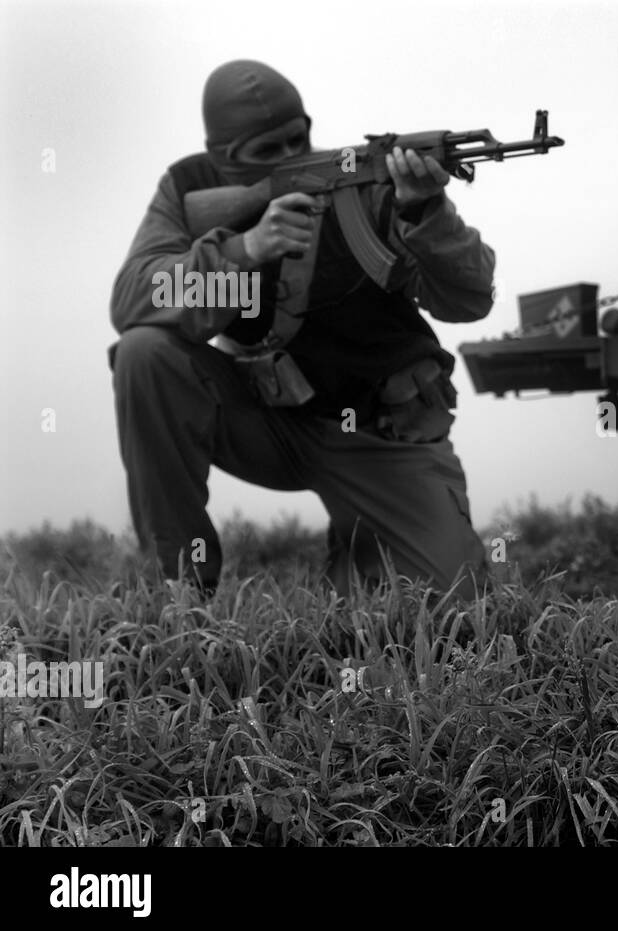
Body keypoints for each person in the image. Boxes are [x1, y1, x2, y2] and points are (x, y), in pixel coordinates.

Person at [108, 59, 494, 601]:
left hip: (378, 436)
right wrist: (244, 250)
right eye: (264, 153)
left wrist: (425, 210)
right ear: (223, 160)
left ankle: (360, 549)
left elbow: (470, 297)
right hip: (269, 425)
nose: (289, 158)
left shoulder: (362, 180)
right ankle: (178, 595)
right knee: (143, 352)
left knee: (451, 610)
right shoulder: (188, 188)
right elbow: (131, 300)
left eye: (296, 138)